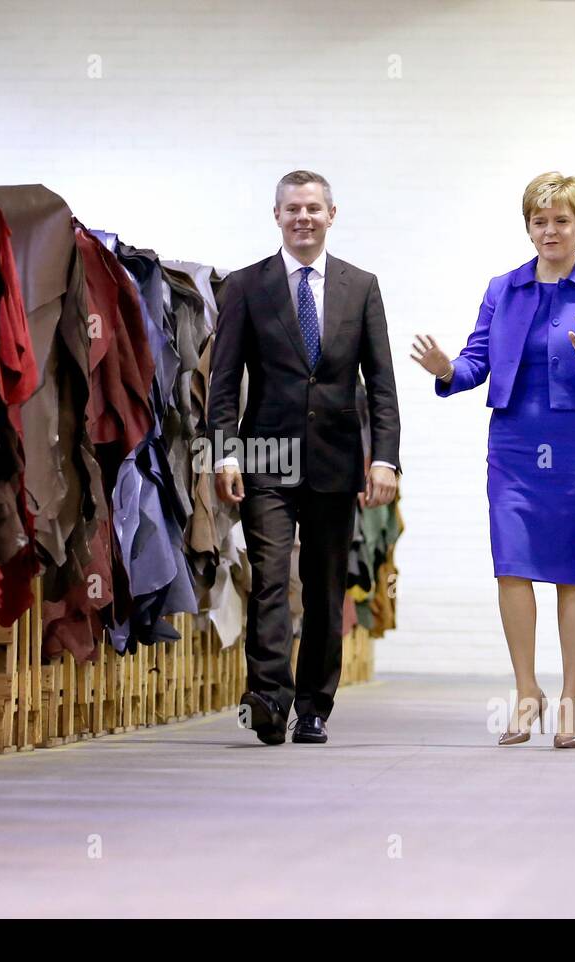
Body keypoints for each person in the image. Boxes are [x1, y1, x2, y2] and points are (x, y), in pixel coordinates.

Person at [411, 172, 575, 748]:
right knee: (512, 564)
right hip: (514, 446)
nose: (550, 230)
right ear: (528, 227)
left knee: (574, 571)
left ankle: (571, 698)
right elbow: (475, 362)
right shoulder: (503, 289)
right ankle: (526, 690)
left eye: (561, 220)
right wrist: (446, 369)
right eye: (540, 221)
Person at [208, 170, 401, 745]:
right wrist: (224, 453)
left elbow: (382, 384)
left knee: (324, 587)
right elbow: (224, 381)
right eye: (292, 208)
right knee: (270, 579)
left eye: (313, 208)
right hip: (266, 454)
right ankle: (269, 699)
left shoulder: (360, 286)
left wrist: (385, 459)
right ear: (277, 216)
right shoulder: (246, 285)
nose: (303, 218)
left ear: (331, 215)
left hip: (336, 461)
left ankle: (314, 706)